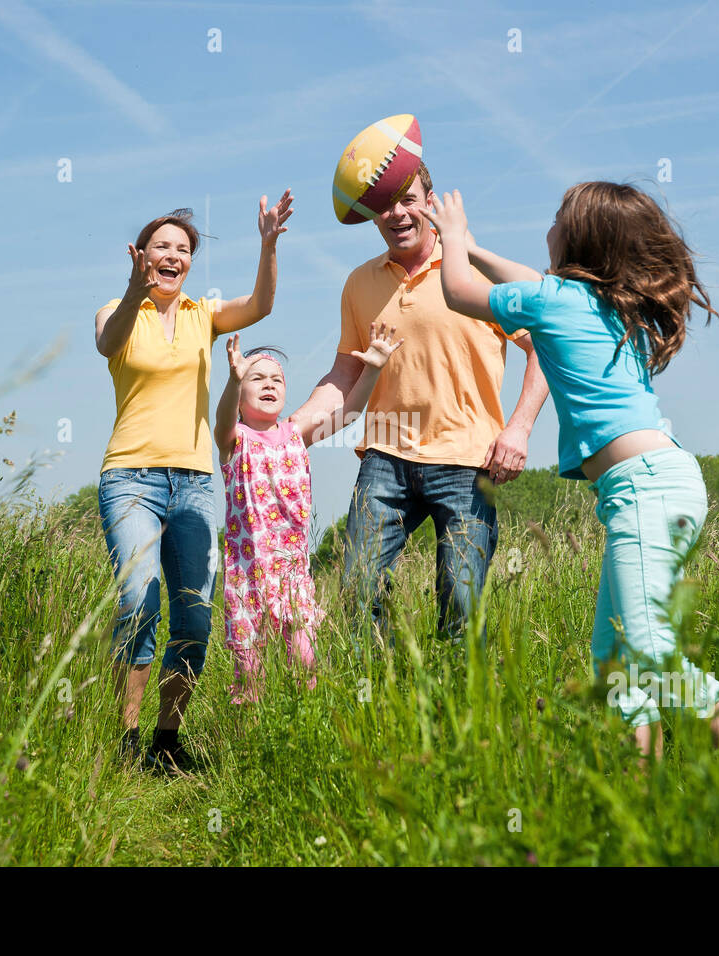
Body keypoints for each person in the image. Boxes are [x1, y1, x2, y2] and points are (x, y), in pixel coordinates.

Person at [418, 181, 719, 761]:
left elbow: (461, 291)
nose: (547, 227)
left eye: (556, 218)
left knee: (648, 647)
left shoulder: (559, 300)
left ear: (578, 239)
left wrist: (457, 241)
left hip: (645, 489)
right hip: (659, 484)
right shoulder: (610, 302)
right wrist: (470, 242)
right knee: (617, 664)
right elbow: (524, 277)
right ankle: (642, 811)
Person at [292, 162, 550, 648]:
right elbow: (345, 375)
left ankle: (457, 713)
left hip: (468, 459)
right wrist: (291, 432)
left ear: (430, 202)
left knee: (461, 600)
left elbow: (543, 346)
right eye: (384, 204)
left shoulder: (473, 270)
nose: (397, 213)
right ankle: (383, 702)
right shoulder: (359, 283)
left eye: (408, 199)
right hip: (385, 457)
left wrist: (519, 429)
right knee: (357, 586)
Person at [94, 192, 293, 771]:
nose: (173, 256)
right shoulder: (115, 310)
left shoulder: (201, 315)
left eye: (183, 250)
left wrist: (268, 242)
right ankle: (125, 738)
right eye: (162, 247)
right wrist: (135, 288)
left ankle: (166, 740)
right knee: (138, 598)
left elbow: (261, 305)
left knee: (194, 613)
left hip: (196, 483)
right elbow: (108, 344)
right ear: (140, 256)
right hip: (130, 477)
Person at [213, 324, 403, 703]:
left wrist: (374, 368)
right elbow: (220, 422)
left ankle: (302, 729)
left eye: (277, 379)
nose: (269, 384)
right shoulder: (234, 439)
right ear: (239, 395)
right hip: (248, 576)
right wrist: (233, 380)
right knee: (251, 675)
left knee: (304, 661)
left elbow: (347, 413)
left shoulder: (295, 433)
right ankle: (252, 747)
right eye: (257, 379)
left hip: (293, 575)